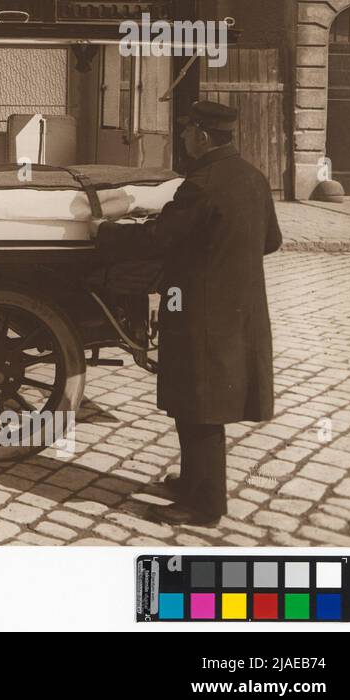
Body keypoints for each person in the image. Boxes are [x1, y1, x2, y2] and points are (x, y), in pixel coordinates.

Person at [96, 99, 282, 527]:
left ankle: (205, 505)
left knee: (201, 404)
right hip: (239, 310)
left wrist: (105, 232)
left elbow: (159, 238)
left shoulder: (202, 183)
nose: (182, 138)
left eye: (186, 132)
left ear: (201, 135)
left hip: (201, 311)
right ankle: (194, 482)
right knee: (199, 401)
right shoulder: (253, 178)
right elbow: (269, 240)